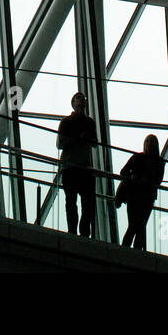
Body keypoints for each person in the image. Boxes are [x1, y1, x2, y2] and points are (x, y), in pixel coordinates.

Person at [57, 92, 97, 237]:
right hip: (78, 168)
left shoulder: (68, 122)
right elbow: (60, 144)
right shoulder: (88, 123)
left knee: (74, 202)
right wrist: (80, 139)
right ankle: (81, 231)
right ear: (73, 103)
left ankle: (75, 231)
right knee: (82, 203)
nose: (81, 103)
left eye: (82, 100)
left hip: (73, 167)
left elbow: (60, 144)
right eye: (78, 100)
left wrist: (76, 139)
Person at [117, 134, 164, 250]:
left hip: (137, 196)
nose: (149, 144)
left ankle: (125, 250)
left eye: (151, 142)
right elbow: (158, 180)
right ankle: (136, 251)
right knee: (138, 226)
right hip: (143, 197)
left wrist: (134, 176)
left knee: (135, 226)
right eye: (148, 142)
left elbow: (123, 172)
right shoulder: (158, 161)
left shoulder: (138, 158)